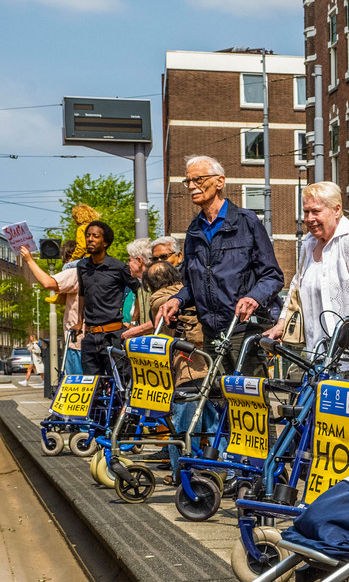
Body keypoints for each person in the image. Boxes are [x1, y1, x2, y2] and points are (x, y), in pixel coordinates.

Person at [157, 155, 284, 376]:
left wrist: (253, 297)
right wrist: (176, 300)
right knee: (218, 400)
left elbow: (272, 276)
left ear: (220, 182)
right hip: (210, 333)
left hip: (243, 330)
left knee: (249, 402)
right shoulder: (194, 229)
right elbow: (192, 284)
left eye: (198, 179)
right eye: (188, 181)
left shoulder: (247, 222)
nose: (191, 187)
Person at [263, 181, 349, 371]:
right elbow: (296, 289)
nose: (309, 218)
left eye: (316, 211)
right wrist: (282, 324)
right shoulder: (309, 244)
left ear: (336, 210)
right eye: (306, 212)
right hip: (317, 353)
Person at [123, 262, 215, 480]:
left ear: (149, 285)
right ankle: (226, 469)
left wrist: (134, 332)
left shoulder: (159, 300)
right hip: (210, 365)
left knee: (182, 427)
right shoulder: (190, 293)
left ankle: (180, 473)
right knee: (213, 421)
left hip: (186, 369)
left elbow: (161, 327)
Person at [74, 220, 138, 378]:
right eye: (88, 235)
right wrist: (79, 321)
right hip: (89, 337)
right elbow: (82, 293)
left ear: (106, 242)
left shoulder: (118, 267)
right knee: (91, 384)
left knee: (119, 382)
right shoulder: (82, 266)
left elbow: (139, 290)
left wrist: (135, 321)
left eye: (95, 236)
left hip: (113, 336)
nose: (90, 239)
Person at [17, 240, 83, 377]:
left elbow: (48, 283)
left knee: (77, 385)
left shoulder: (75, 271)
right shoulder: (95, 271)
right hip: (91, 340)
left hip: (77, 343)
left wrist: (29, 260)